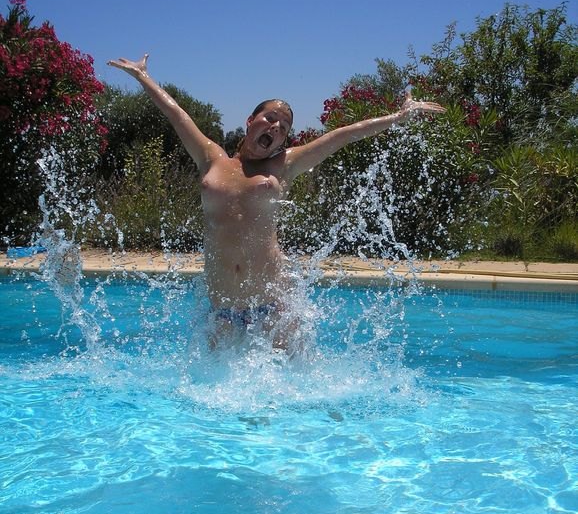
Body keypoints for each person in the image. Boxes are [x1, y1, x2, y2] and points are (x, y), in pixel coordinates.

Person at [107, 54, 445, 348]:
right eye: (270, 118)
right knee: (205, 406)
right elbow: (177, 115)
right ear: (250, 121)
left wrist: (397, 119)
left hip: (272, 307)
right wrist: (143, 77)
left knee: (290, 404)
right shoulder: (212, 158)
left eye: (283, 128)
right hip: (220, 310)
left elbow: (340, 136)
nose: (276, 127)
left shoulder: (284, 165)